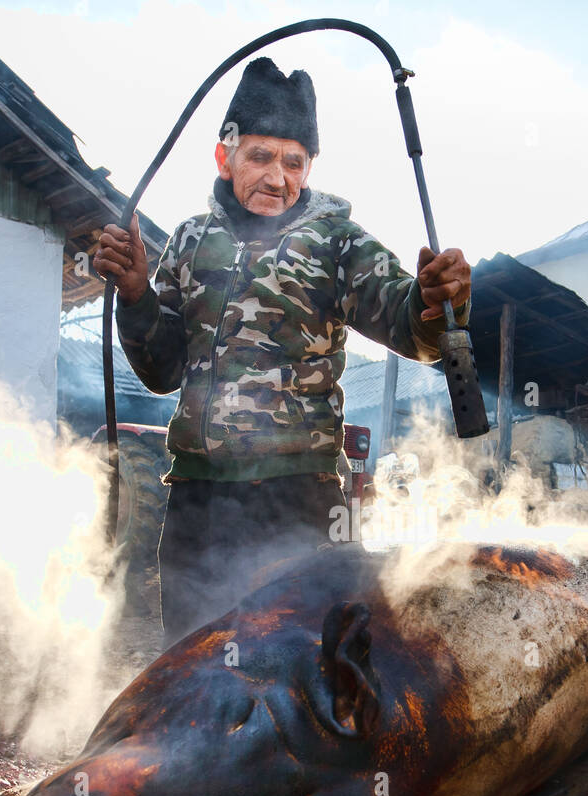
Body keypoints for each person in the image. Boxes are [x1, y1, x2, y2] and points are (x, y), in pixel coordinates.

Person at [94, 57, 472, 645]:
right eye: (261, 157)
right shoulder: (189, 242)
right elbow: (162, 371)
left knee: (304, 670)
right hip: (199, 502)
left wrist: (432, 302)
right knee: (192, 668)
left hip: (300, 501)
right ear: (225, 156)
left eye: (293, 162)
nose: (278, 178)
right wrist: (138, 294)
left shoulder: (336, 241)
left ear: (310, 167)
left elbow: (411, 331)